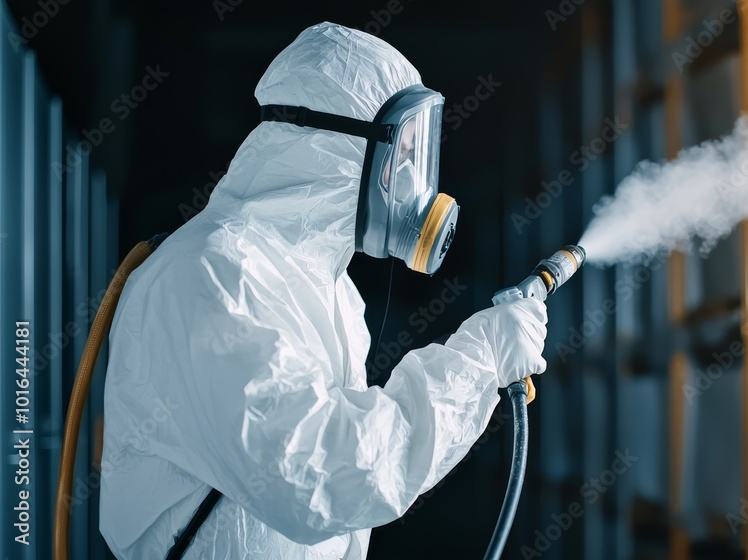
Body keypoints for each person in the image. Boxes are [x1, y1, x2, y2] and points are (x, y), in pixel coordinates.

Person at [99, 22, 547, 559]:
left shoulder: (329, 292)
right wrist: (477, 364)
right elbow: (327, 479)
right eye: (403, 151)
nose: (413, 178)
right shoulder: (215, 276)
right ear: (332, 144)